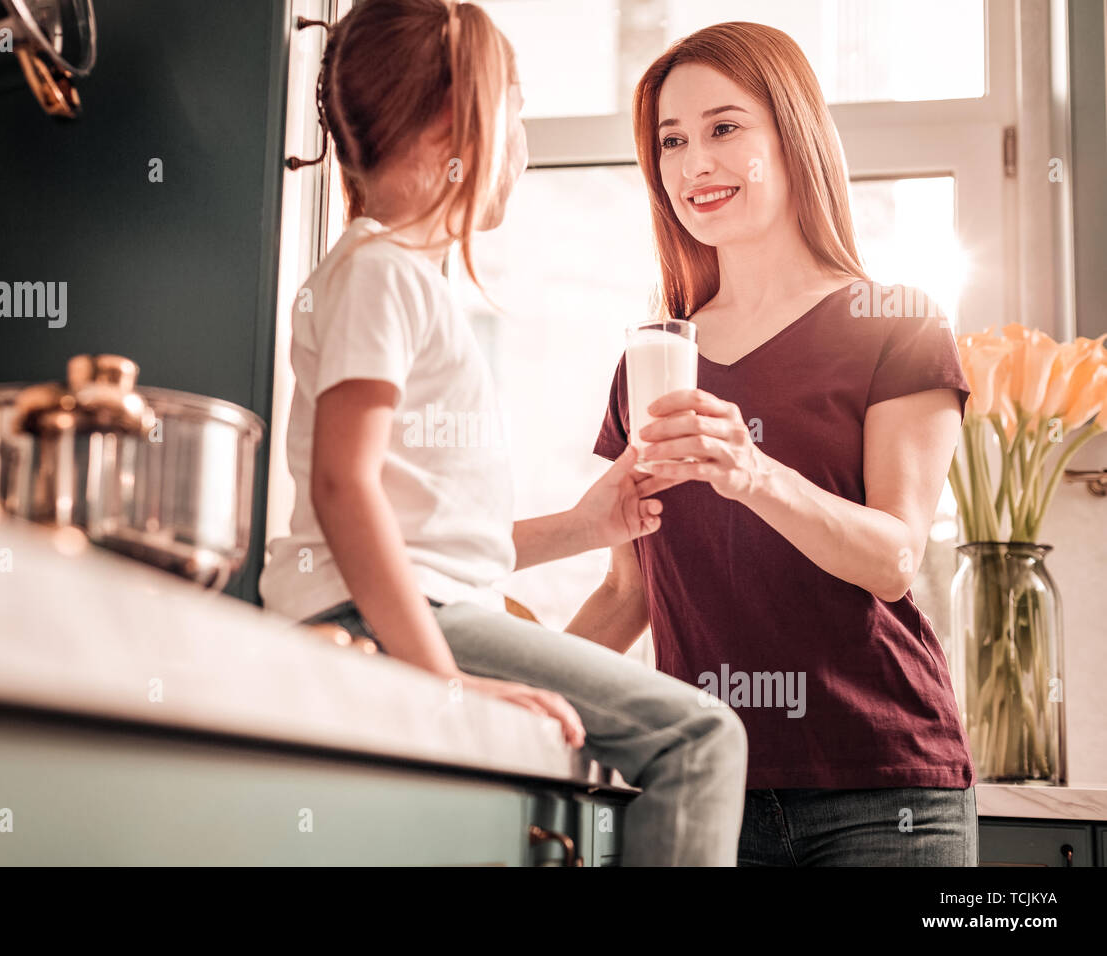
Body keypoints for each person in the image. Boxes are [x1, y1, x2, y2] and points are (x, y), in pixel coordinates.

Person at [259, 0, 746, 866]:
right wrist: (445, 686)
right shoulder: (383, 275)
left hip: (390, 610)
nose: (521, 139)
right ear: (456, 121)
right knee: (699, 739)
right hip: (372, 620)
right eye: (514, 106)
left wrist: (586, 527)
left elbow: (428, 539)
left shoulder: (387, 275)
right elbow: (343, 486)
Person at [573, 21, 977, 866]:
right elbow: (627, 593)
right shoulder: (653, 359)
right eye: (671, 142)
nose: (694, 164)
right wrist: (482, 694)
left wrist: (753, 473)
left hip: (882, 785)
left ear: (791, 135)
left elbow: (893, 557)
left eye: (724, 128)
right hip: (701, 786)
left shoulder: (898, 322)